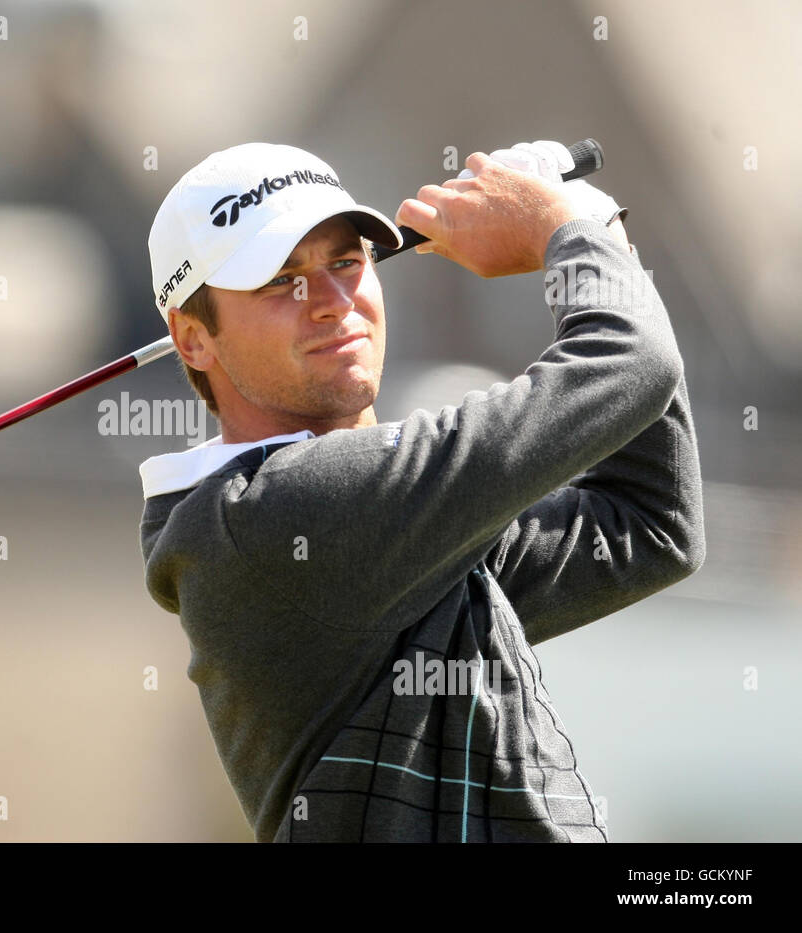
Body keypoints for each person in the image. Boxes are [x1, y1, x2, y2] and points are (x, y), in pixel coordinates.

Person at [137, 141, 705, 842]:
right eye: (282, 280)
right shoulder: (288, 513)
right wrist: (571, 227)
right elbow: (630, 364)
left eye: (346, 262)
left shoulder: (375, 526)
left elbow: (650, 525)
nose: (332, 303)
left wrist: (593, 232)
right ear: (193, 339)